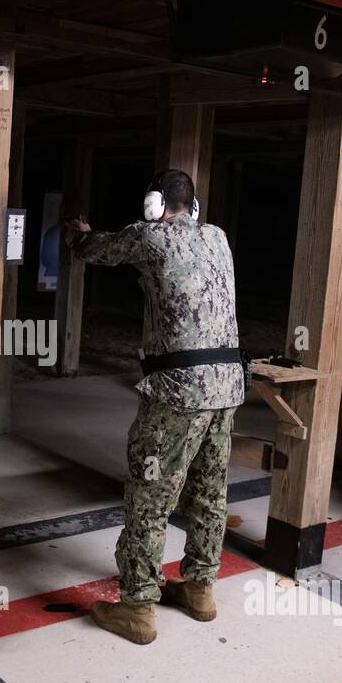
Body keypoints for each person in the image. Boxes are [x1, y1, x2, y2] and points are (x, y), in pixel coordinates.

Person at [64, 169, 243, 645]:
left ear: (154, 205)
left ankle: (138, 607)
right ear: (195, 207)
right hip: (227, 386)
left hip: (181, 388)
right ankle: (201, 589)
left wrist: (79, 237)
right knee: (209, 491)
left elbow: (98, 249)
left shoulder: (149, 235)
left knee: (149, 495)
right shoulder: (219, 237)